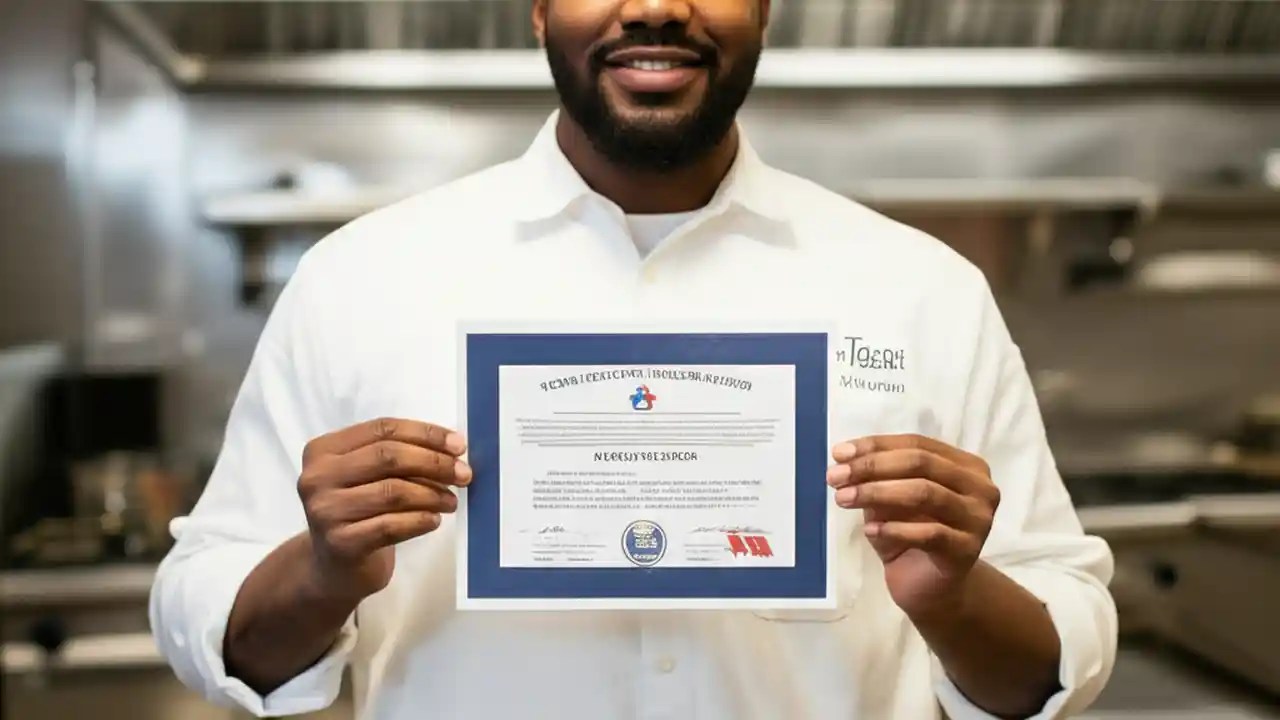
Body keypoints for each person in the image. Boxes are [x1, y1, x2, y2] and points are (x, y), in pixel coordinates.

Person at [150, 0, 1118, 716]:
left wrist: (953, 599)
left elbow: (1060, 650)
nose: (655, 8)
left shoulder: (922, 289)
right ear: (536, 10)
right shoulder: (360, 278)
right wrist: (322, 574)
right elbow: (202, 616)